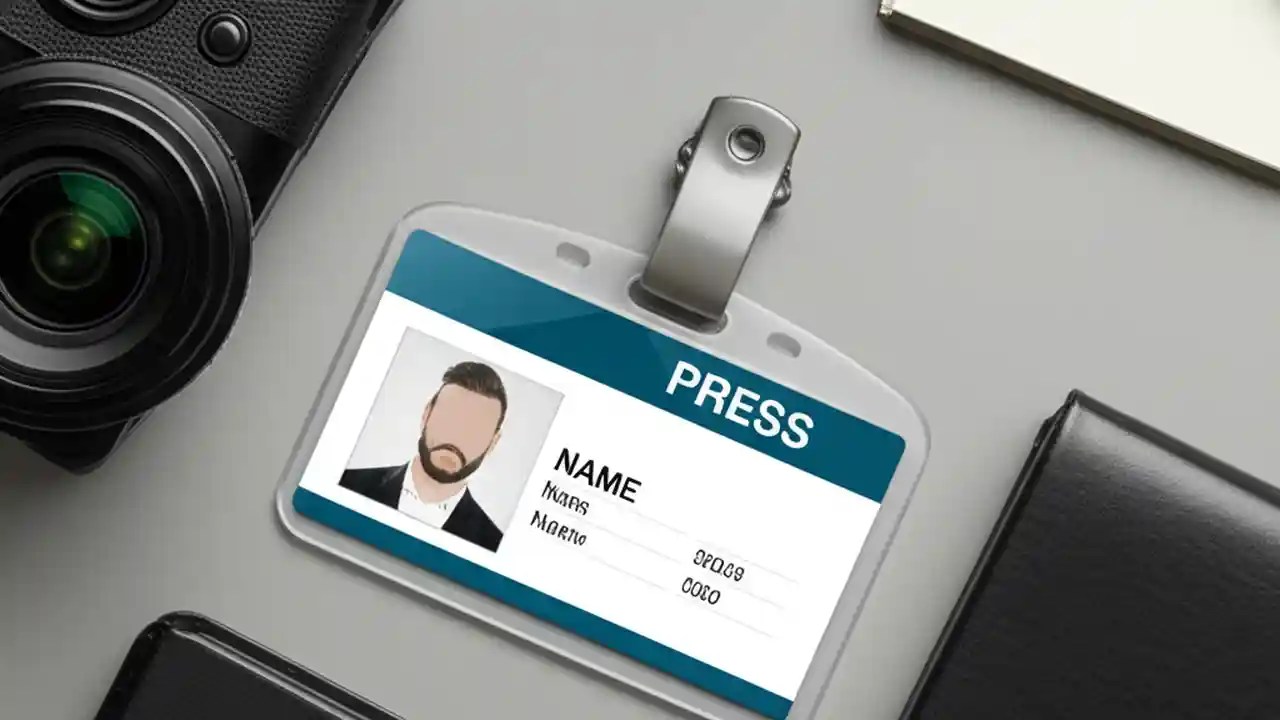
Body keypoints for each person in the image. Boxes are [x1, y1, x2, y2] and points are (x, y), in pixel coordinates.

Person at [341, 361, 507, 551]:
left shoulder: (491, 545)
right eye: (450, 416)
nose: (456, 435)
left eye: (475, 429)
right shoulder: (347, 483)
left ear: (492, 443)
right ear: (426, 414)